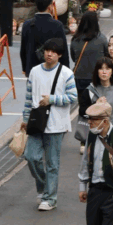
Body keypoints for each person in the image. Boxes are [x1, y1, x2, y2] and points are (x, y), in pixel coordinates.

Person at [21, 37, 77, 212]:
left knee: (52, 163)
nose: (49, 54)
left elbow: (73, 97)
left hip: (56, 124)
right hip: (37, 123)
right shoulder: (35, 72)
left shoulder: (66, 73)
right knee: (31, 157)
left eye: (53, 51)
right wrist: (25, 118)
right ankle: (45, 188)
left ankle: (50, 198)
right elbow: (28, 97)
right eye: (47, 50)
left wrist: (52, 99)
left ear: (59, 55)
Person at [78, 96, 113, 225]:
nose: (89, 122)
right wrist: (82, 186)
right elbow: (85, 160)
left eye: (93, 119)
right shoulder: (91, 135)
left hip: (112, 193)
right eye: (89, 119)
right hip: (94, 192)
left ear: (105, 121)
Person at [20, 0, 70, 75]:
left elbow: (23, 50)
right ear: (50, 6)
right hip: (52, 69)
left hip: (32, 69)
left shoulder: (27, 25)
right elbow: (63, 50)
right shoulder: (57, 25)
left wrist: (25, 68)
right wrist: (65, 69)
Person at [71, 12, 109, 105]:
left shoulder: (75, 39)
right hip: (97, 79)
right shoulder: (102, 39)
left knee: (83, 106)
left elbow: (73, 58)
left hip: (79, 78)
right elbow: (107, 57)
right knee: (98, 107)